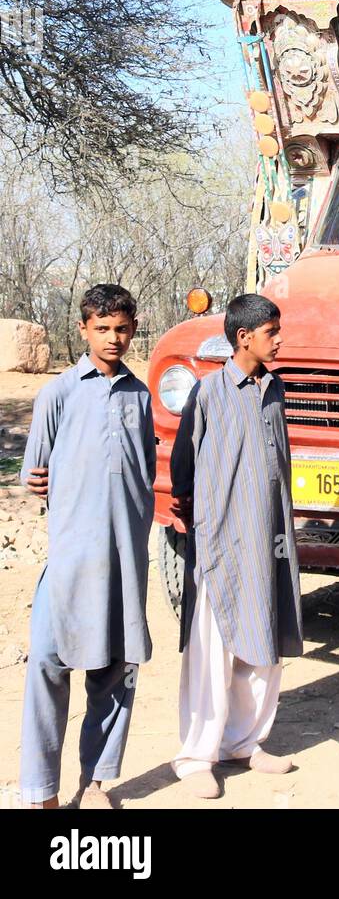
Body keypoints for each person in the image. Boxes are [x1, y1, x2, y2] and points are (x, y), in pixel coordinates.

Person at [18, 284, 155, 810]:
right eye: (102, 329)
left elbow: (142, 472)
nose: (113, 338)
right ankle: (41, 791)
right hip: (71, 556)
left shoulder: (141, 396)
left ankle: (96, 783)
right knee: (49, 664)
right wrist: (36, 484)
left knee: (116, 669)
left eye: (121, 328)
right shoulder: (57, 393)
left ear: (133, 329)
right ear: (83, 330)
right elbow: (37, 474)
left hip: (124, 560)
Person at [170, 293, 303, 799]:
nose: (280, 340)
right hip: (221, 541)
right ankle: (196, 755)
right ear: (244, 337)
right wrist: (195, 522)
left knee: (264, 642)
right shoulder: (207, 393)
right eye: (272, 332)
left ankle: (245, 743)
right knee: (211, 649)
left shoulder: (275, 389)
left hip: (268, 540)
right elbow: (183, 468)